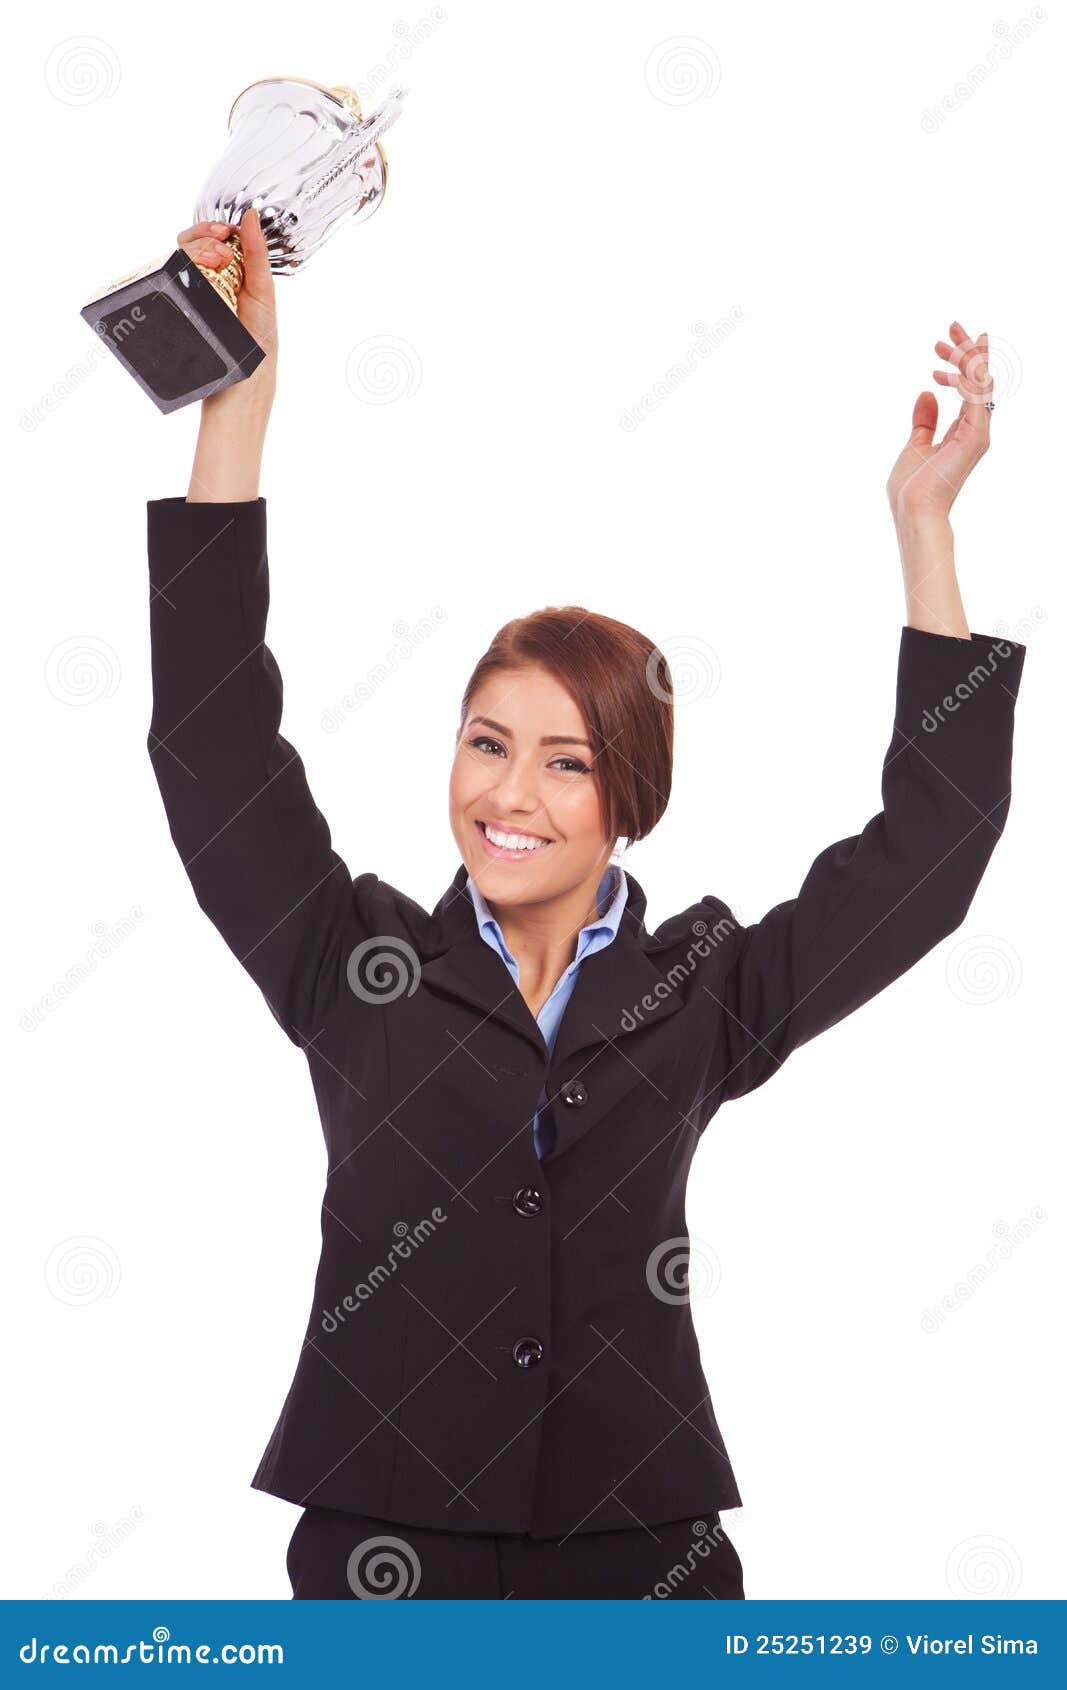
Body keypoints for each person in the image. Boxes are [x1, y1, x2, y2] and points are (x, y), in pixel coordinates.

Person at [144, 209, 1025, 1599]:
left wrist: (925, 532)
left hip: (644, 1552)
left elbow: (936, 850)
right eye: (487, 742)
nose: (513, 794)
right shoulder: (348, 962)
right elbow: (210, 746)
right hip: (389, 1545)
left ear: (629, 798)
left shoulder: (706, 990)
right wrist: (237, 411)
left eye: (569, 761)